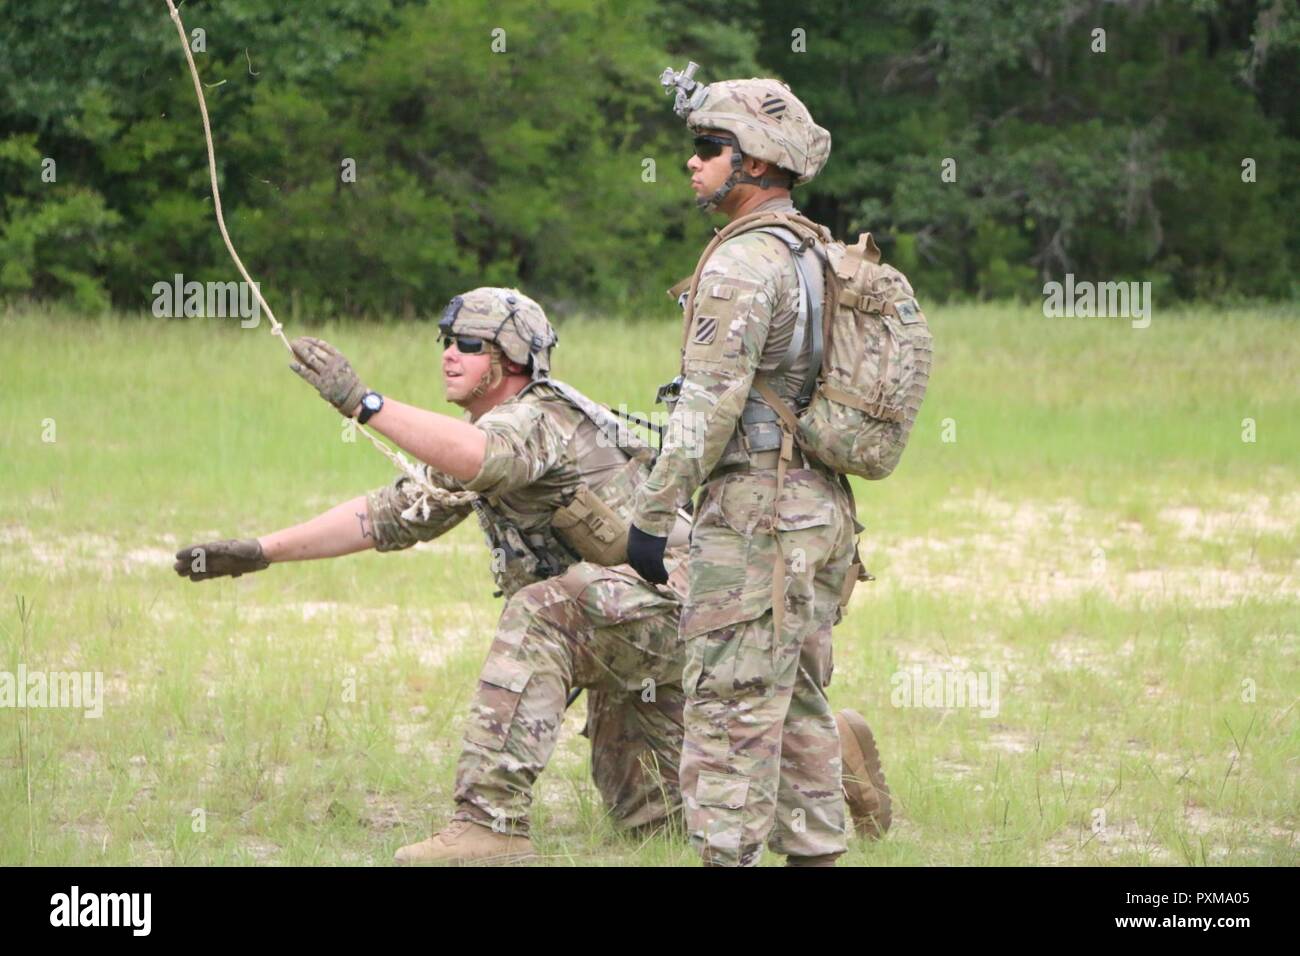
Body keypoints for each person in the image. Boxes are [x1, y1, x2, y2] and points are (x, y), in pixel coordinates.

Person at [176, 286, 887, 866]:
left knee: (546, 612)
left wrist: (364, 404)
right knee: (656, 824)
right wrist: (259, 552)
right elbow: (386, 517)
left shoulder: (536, 418)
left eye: (471, 345)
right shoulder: (487, 436)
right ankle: (821, 749)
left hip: (679, 616)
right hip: (634, 629)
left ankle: (491, 823)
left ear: (512, 358)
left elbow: (482, 460)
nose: (450, 356)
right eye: (447, 342)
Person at [626, 73, 868, 866]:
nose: (692, 164)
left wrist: (651, 519)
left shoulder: (741, 265)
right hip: (821, 511)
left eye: (709, 149)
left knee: (729, 706)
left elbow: (707, 408)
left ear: (757, 164)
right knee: (795, 699)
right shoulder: (818, 251)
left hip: (757, 514)